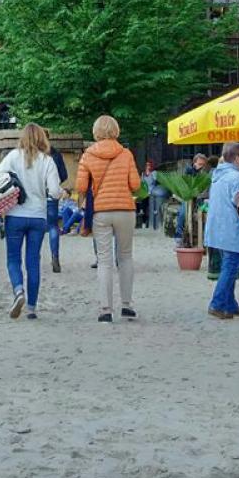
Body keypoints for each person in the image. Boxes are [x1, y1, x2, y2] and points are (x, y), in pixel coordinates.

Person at [77, 114, 141, 322]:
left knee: (104, 260)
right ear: (116, 130)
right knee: (125, 256)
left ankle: (105, 309)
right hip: (125, 209)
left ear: (96, 132)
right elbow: (136, 185)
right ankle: (127, 305)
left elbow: (80, 187)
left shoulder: (88, 155)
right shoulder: (126, 154)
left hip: (101, 211)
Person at [0, 123, 62, 319]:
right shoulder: (47, 161)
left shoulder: (13, 157)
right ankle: (31, 307)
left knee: (13, 258)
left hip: (15, 214)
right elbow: (55, 191)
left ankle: (18, 291)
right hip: (38, 216)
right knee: (33, 261)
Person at [202, 142, 239, 319]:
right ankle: (217, 303)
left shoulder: (219, 175)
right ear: (237, 158)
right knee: (231, 267)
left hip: (219, 228)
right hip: (232, 228)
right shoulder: (236, 178)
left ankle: (230, 304)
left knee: (229, 265)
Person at [174, 152, 208, 243]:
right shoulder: (188, 171)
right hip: (189, 198)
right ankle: (179, 235)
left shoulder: (205, 173)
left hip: (201, 199)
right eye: (200, 164)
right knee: (182, 213)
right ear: (194, 163)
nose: (201, 166)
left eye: (203, 164)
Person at [47, 144, 68, 273]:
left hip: (35, 196)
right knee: (53, 226)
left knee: (35, 229)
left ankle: (34, 258)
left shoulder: (31, 154)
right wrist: (56, 182)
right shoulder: (55, 154)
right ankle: (55, 255)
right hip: (51, 194)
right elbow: (64, 174)